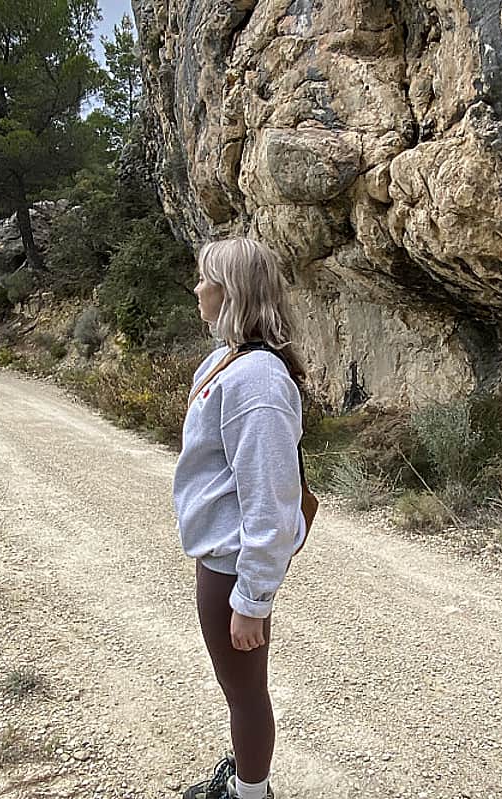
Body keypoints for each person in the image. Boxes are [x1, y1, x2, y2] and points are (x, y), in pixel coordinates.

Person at [173, 238, 308, 799]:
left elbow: (269, 500)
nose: (197, 287)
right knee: (239, 690)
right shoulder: (225, 360)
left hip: (232, 566)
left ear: (231, 292)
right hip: (222, 558)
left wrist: (252, 602)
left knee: (246, 694)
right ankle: (247, 774)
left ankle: (251, 793)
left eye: (206, 278)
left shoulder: (256, 380)